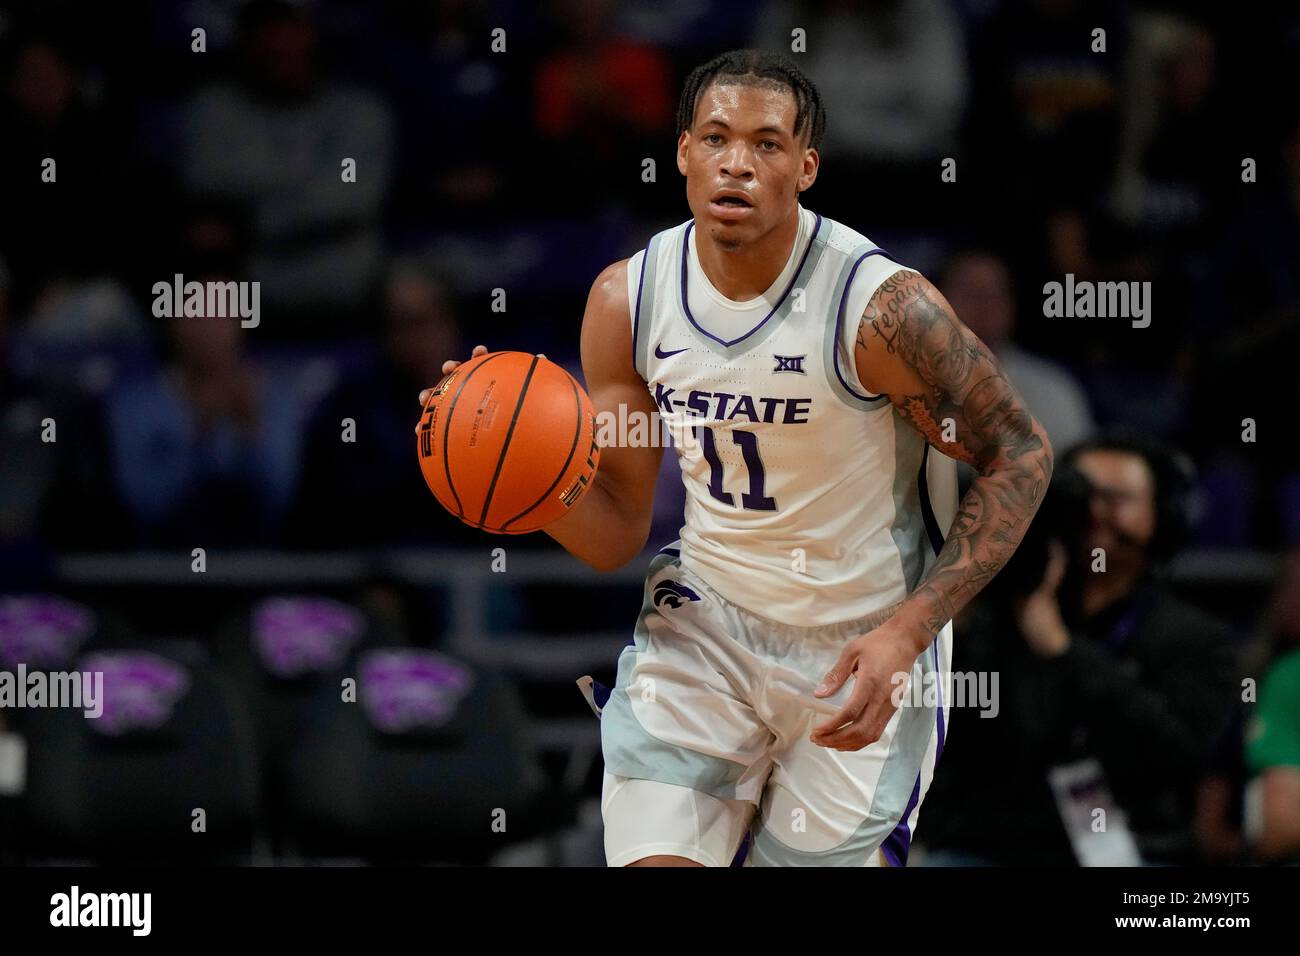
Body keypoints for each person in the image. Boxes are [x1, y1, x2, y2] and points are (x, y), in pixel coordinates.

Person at [427, 50, 1053, 867]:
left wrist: (907, 636)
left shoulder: (883, 311)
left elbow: (1024, 454)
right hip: (705, 629)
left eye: (766, 144)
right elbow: (616, 532)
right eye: (717, 138)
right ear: (684, 152)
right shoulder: (628, 300)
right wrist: (521, 485)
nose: (738, 163)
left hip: (860, 643)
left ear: (805, 166)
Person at [919, 431, 1238, 865]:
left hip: (1132, 846)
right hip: (987, 845)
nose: (1093, 513)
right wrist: (967, 605)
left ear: (1162, 515)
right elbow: (944, 736)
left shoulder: (1195, 638)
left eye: (1115, 498)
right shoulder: (1000, 611)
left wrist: (1062, 650)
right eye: (1080, 496)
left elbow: (1174, 756)